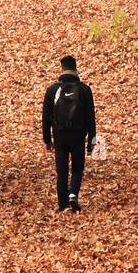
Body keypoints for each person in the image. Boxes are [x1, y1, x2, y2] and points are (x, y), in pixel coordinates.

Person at [41, 55, 96, 213]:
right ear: (76, 69)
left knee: (62, 170)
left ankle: (63, 204)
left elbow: (45, 117)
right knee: (78, 167)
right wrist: (92, 141)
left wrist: (47, 140)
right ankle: (73, 194)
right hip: (78, 135)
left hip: (60, 136)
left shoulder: (52, 90)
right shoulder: (85, 90)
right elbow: (90, 118)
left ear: (62, 69)